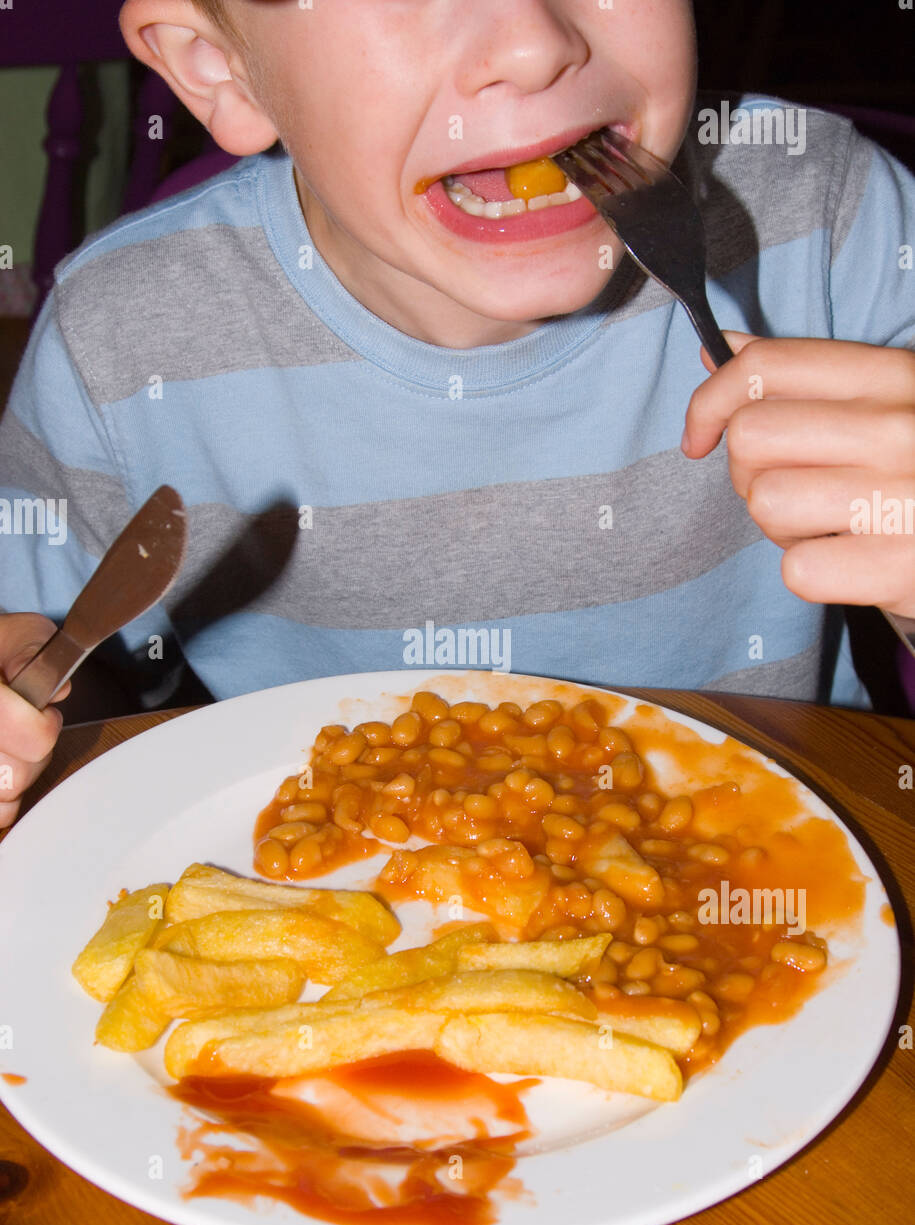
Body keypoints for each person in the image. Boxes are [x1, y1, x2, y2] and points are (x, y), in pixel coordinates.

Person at [0, 0, 913, 828]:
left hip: (792, 863)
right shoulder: (118, 341)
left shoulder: (830, 217)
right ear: (217, 65)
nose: (531, 44)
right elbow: (69, 678)